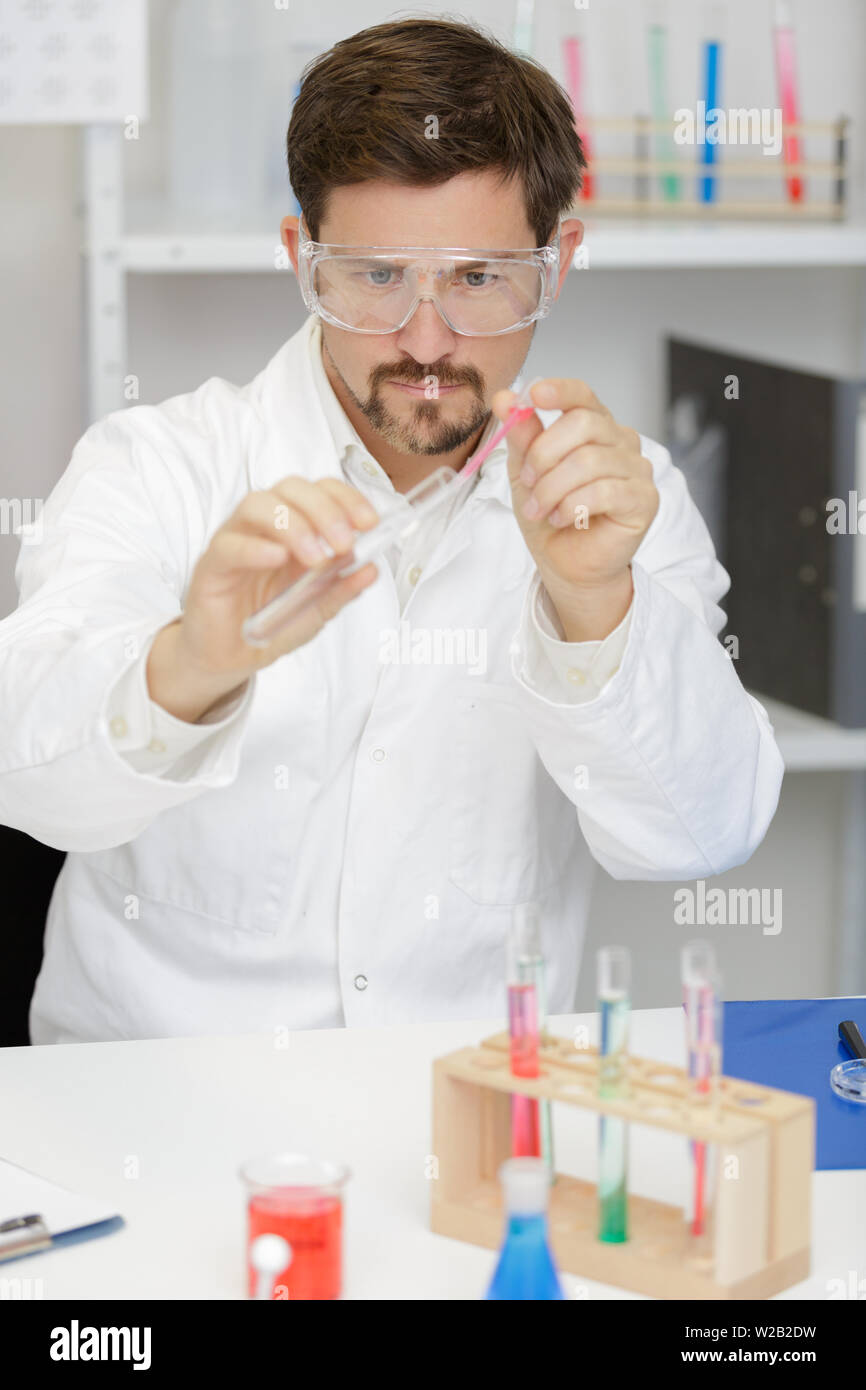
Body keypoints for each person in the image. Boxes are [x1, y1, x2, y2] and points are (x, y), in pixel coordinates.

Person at [0, 17, 783, 1044]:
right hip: (156, 1105)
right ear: (301, 258)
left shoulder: (617, 498)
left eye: (474, 278)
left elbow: (702, 834)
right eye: (375, 277)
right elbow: (30, 781)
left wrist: (594, 609)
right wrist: (186, 667)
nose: (425, 340)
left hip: (468, 1117)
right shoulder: (157, 465)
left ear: (558, 258)